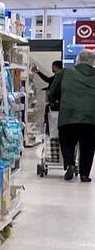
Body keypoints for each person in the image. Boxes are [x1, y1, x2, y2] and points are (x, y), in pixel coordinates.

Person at [47, 50, 95, 182]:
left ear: (77, 59)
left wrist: (54, 100)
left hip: (69, 114)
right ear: (93, 62)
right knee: (88, 147)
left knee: (66, 141)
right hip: (91, 117)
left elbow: (53, 92)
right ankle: (84, 174)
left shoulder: (65, 72)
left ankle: (70, 164)